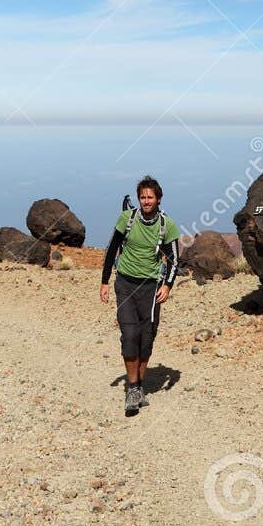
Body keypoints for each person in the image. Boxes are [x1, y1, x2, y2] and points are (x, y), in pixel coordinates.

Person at [99, 175, 180, 416]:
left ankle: (139, 385)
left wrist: (167, 286)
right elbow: (112, 249)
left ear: (158, 199)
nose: (146, 201)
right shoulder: (127, 219)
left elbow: (174, 260)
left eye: (150, 197)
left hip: (151, 288)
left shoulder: (167, 225)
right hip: (125, 284)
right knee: (130, 335)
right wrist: (104, 281)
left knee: (146, 339)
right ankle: (133, 388)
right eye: (142, 197)